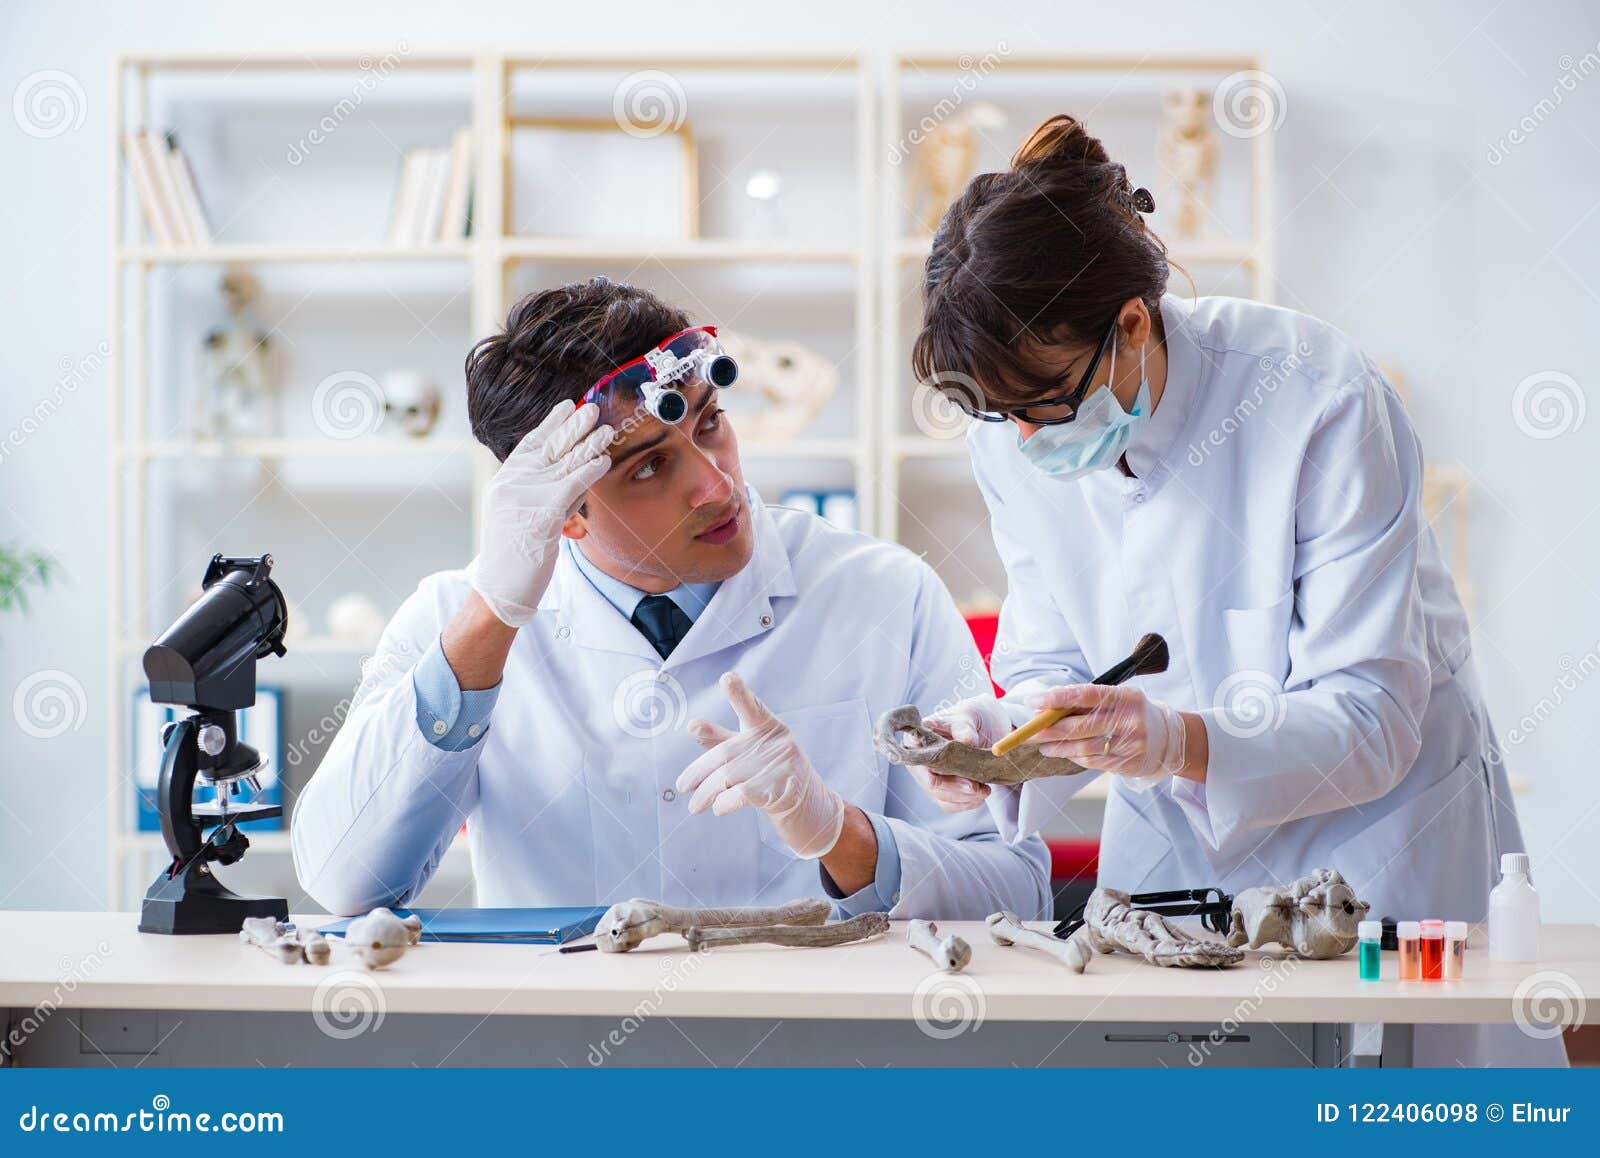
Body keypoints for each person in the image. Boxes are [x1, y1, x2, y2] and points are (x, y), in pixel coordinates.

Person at [905, 114, 1562, 1066]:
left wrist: (1173, 736)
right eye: (996, 413)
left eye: (1044, 403)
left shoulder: (1314, 395)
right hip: (1173, 848)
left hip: (1373, 840)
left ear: (1133, 321)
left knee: (1397, 1107)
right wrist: (998, 740)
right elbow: (1052, 663)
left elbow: (1375, 714)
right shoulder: (1015, 430)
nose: (1024, 440)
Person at [292, 277, 1050, 924]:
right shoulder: (455, 621)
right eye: (650, 468)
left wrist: (839, 835)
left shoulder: (885, 595)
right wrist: (492, 619)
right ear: (566, 508)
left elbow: (1018, 896)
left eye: (711, 424)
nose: (718, 484)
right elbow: (343, 881)